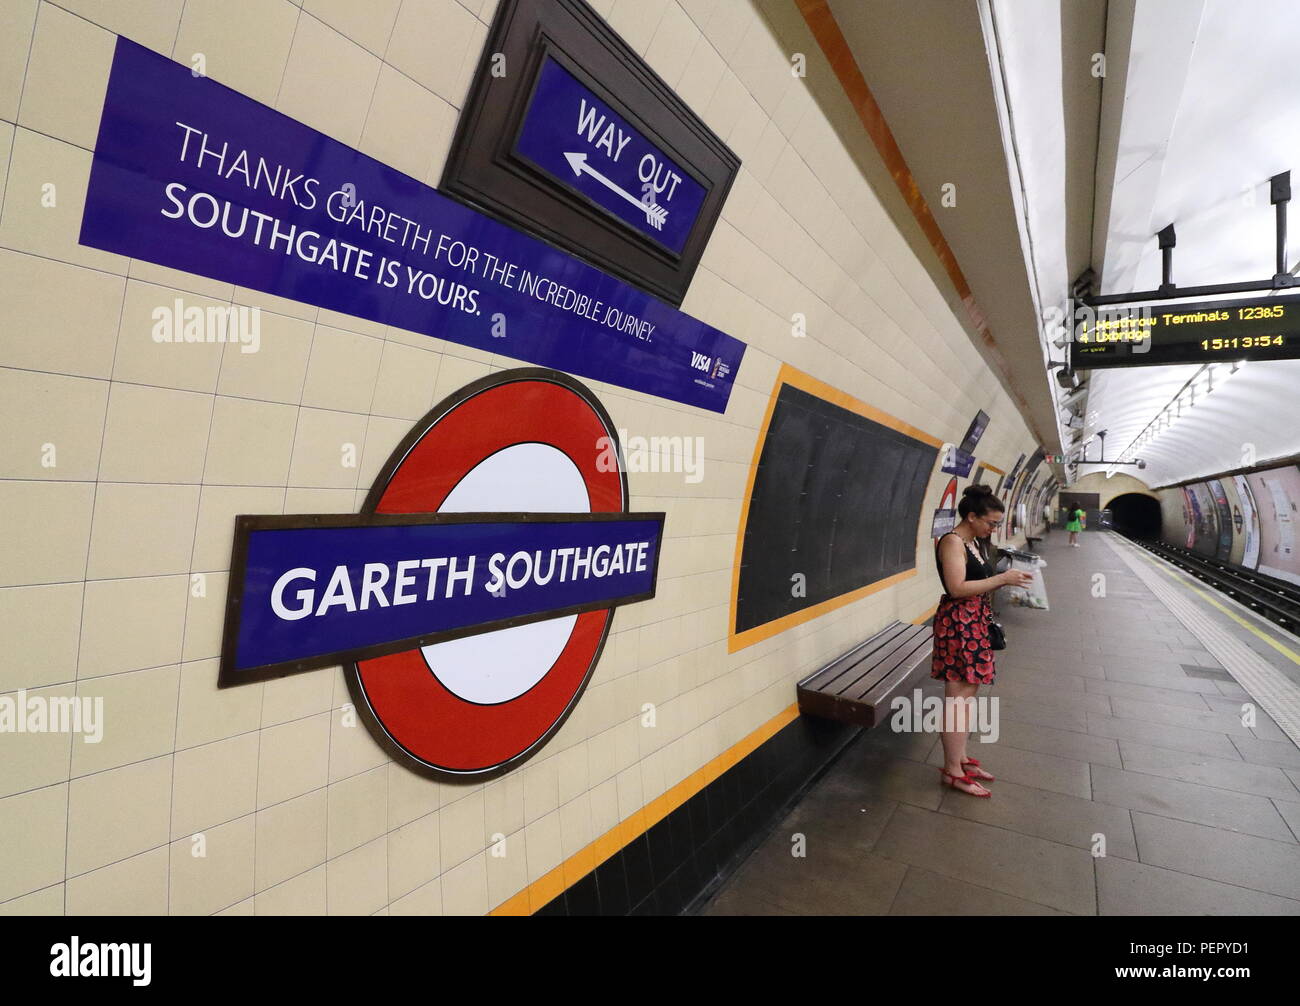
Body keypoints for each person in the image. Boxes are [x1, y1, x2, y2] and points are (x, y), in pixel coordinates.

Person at [931, 485, 1034, 797]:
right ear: (971, 516)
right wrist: (1002, 579)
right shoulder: (952, 542)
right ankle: (951, 770)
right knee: (957, 698)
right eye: (990, 522)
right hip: (958, 623)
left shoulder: (975, 542)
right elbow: (957, 587)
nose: (994, 528)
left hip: (974, 621)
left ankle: (960, 758)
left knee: (968, 692)